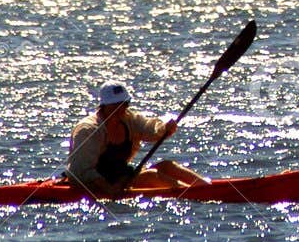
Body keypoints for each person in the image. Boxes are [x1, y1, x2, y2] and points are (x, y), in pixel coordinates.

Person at [65, 82, 208, 197]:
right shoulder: (88, 130)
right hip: (94, 183)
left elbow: (149, 127)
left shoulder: (129, 119)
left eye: (125, 104)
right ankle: (197, 196)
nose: (122, 109)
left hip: (120, 178)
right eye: (116, 105)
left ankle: (208, 189)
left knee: (167, 165)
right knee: (151, 176)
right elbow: (82, 171)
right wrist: (109, 189)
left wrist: (164, 129)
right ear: (104, 106)